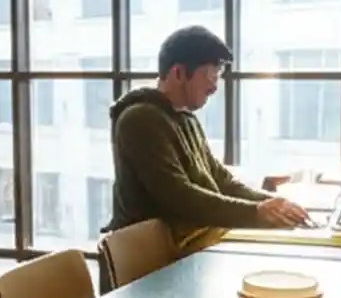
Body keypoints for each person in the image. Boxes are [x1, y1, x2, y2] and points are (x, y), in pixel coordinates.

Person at [109, 26, 310, 251]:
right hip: (154, 259)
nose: (214, 87)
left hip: (190, 245)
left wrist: (273, 205)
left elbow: (222, 181)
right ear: (179, 73)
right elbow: (179, 197)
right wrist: (257, 212)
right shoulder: (140, 119)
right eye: (209, 76)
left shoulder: (185, 118)